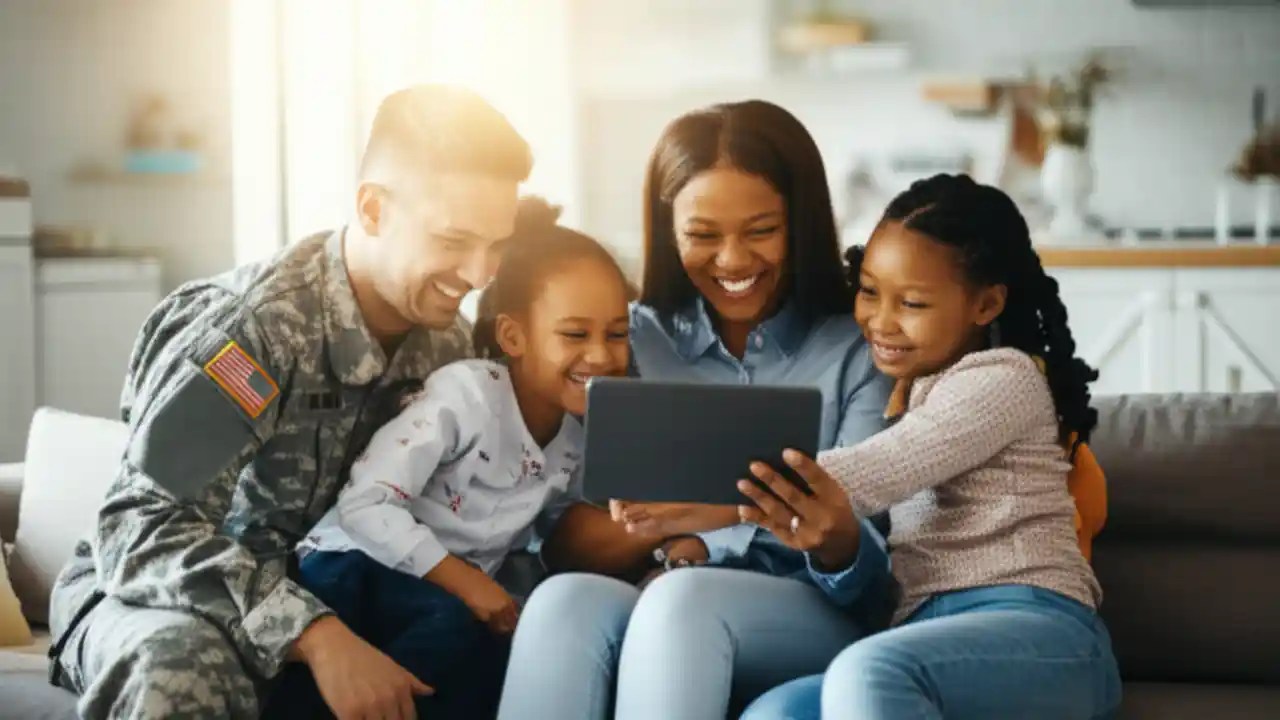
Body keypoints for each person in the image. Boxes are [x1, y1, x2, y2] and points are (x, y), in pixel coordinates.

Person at [45, 85, 532, 720]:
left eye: (497, 246)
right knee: (180, 671)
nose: (478, 274)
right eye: (454, 240)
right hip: (161, 598)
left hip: (347, 592)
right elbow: (140, 526)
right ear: (374, 209)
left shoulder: (450, 345)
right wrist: (316, 636)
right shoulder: (251, 333)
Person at [498, 100, 896, 720]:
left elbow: (865, 535)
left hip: (813, 606)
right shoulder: (627, 339)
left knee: (681, 602)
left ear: (802, 223)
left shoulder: (859, 349)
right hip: (661, 587)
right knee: (563, 603)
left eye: (761, 231)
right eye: (703, 235)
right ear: (669, 229)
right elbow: (567, 530)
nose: (733, 261)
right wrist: (666, 539)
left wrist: (700, 540)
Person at [736, 173, 1122, 719]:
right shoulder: (906, 401)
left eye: (912, 303)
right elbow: (884, 584)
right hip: (930, 640)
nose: (878, 320)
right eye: (869, 291)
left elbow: (880, 468)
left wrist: (717, 475)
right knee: (775, 711)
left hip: (1044, 636)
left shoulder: (1004, 378)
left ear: (986, 305)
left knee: (867, 669)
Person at [267, 198, 634, 719]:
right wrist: (468, 584)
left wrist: (673, 529)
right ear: (513, 336)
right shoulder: (467, 395)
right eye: (575, 334)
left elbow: (558, 531)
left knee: (494, 653)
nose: (601, 355)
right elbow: (366, 505)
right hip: (353, 565)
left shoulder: (575, 439)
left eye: (617, 334)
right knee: (454, 629)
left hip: (439, 599)